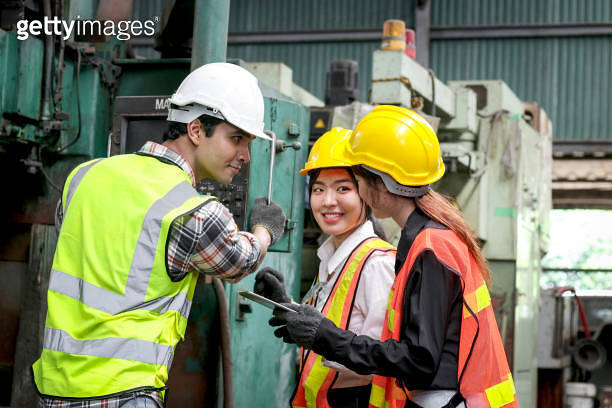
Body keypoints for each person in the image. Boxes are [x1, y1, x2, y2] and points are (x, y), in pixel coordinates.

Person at [32, 62, 287, 407]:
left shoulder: (83, 176)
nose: (245, 155)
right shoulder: (195, 211)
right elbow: (241, 260)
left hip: (55, 388)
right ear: (196, 130)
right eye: (237, 139)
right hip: (124, 393)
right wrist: (265, 230)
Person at [270, 106, 518, 408]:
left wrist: (327, 337)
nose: (355, 191)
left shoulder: (430, 247)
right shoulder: (424, 241)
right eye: (319, 189)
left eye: (354, 181)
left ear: (380, 182)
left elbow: (420, 360)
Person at [255, 127, 396, 408]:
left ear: (366, 194)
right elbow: (336, 326)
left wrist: (320, 337)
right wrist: (291, 308)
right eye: (319, 189)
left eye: (343, 188)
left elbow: (382, 360)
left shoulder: (377, 263)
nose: (328, 201)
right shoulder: (332, 255)